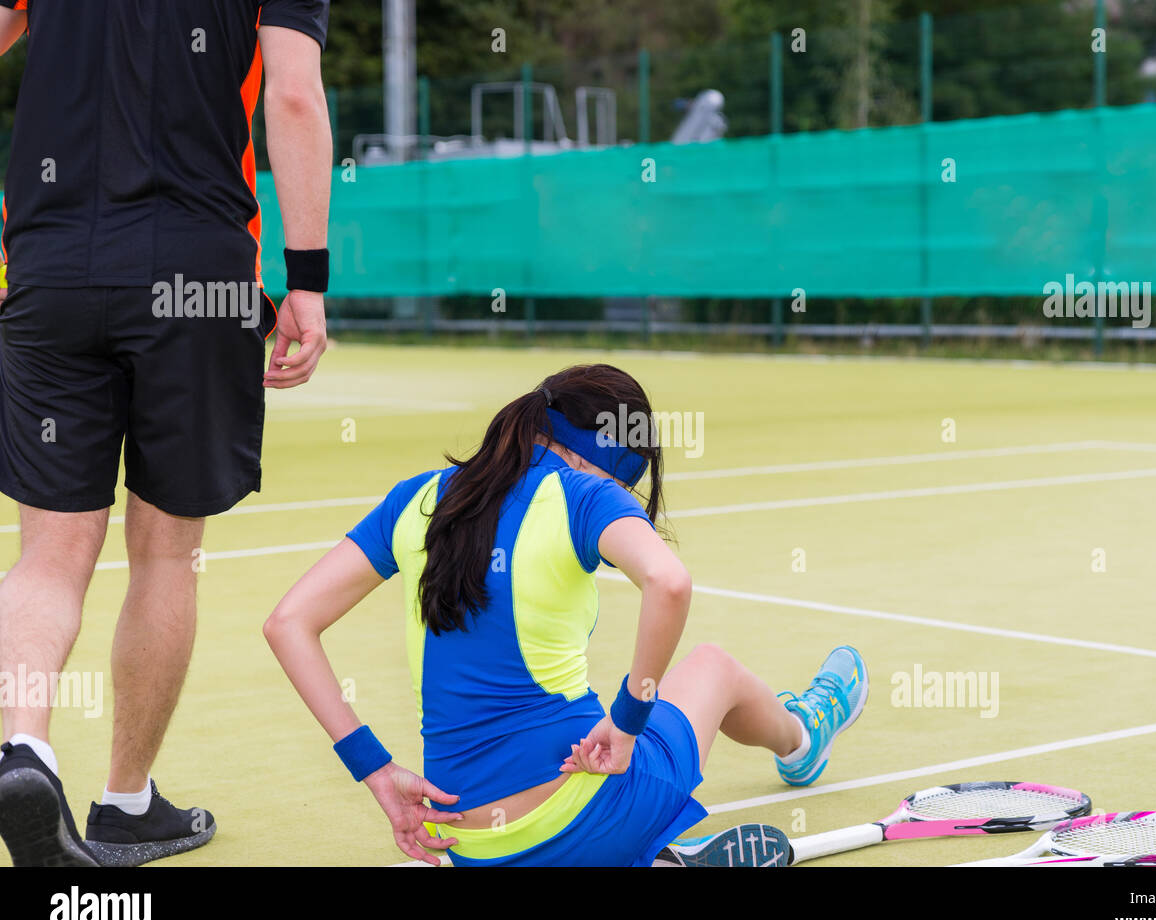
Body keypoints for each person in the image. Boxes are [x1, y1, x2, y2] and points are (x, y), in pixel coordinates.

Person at [263, 363, 867, 866]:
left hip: (470, 846)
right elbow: (669, 581)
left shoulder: (418, 497)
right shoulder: (584, 494)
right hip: (587, 814)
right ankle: (803, 739)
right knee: (713, 667)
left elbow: (287, 623)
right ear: (605, 459)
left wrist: (374, 768)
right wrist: (629, 721)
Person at [0, 0, 333, 867]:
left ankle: (22, 751)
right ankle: (125, 804)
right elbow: (291, 96)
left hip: (49, 262)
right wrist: (309, 281)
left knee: (48, 556)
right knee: (163, 553)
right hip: (199, 271)